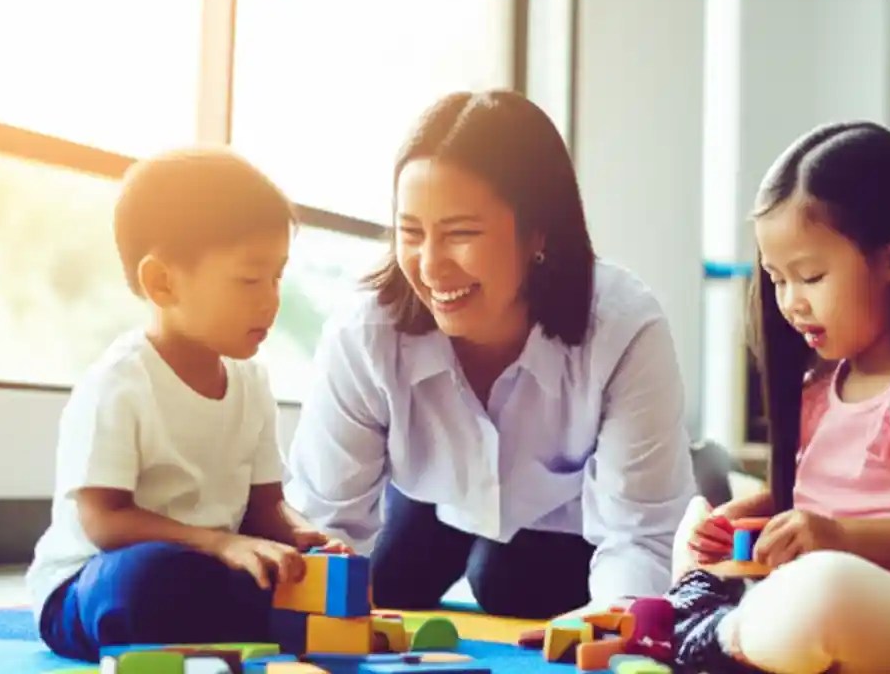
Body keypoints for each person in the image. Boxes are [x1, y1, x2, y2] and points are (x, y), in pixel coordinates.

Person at [284, 90, 696, 619]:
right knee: (380, 582)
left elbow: (642, 535)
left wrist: (618, 620)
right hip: (432, 496)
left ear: (537, 233)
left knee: (506, 580)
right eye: (411, 232)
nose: (430, 267)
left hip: (567, 515)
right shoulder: (365, 331)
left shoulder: (623, 325)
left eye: (461, 234)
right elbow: (324, 519)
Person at [674, 123, 890, 673]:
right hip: (829, 615)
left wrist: (838, 538)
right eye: (777, 279)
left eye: (810, 276)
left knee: (826, 591)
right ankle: (732, 626)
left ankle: (719, 630)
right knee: (694, 524)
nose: (791, 303)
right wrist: (750, 517)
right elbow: (822, 494)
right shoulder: (820, 389)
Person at [26, 148, 346, 662]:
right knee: (146, 579)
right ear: (163, 282)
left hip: (209, 565)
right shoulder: (121, 382)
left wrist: (306, 538)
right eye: (249, 279)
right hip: (92, 580)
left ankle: (223, 628)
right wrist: (218, 544)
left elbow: (267, 508)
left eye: (277, 277)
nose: (271, 300)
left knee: (292, 582)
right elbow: (104, 522)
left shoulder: (252, 382)